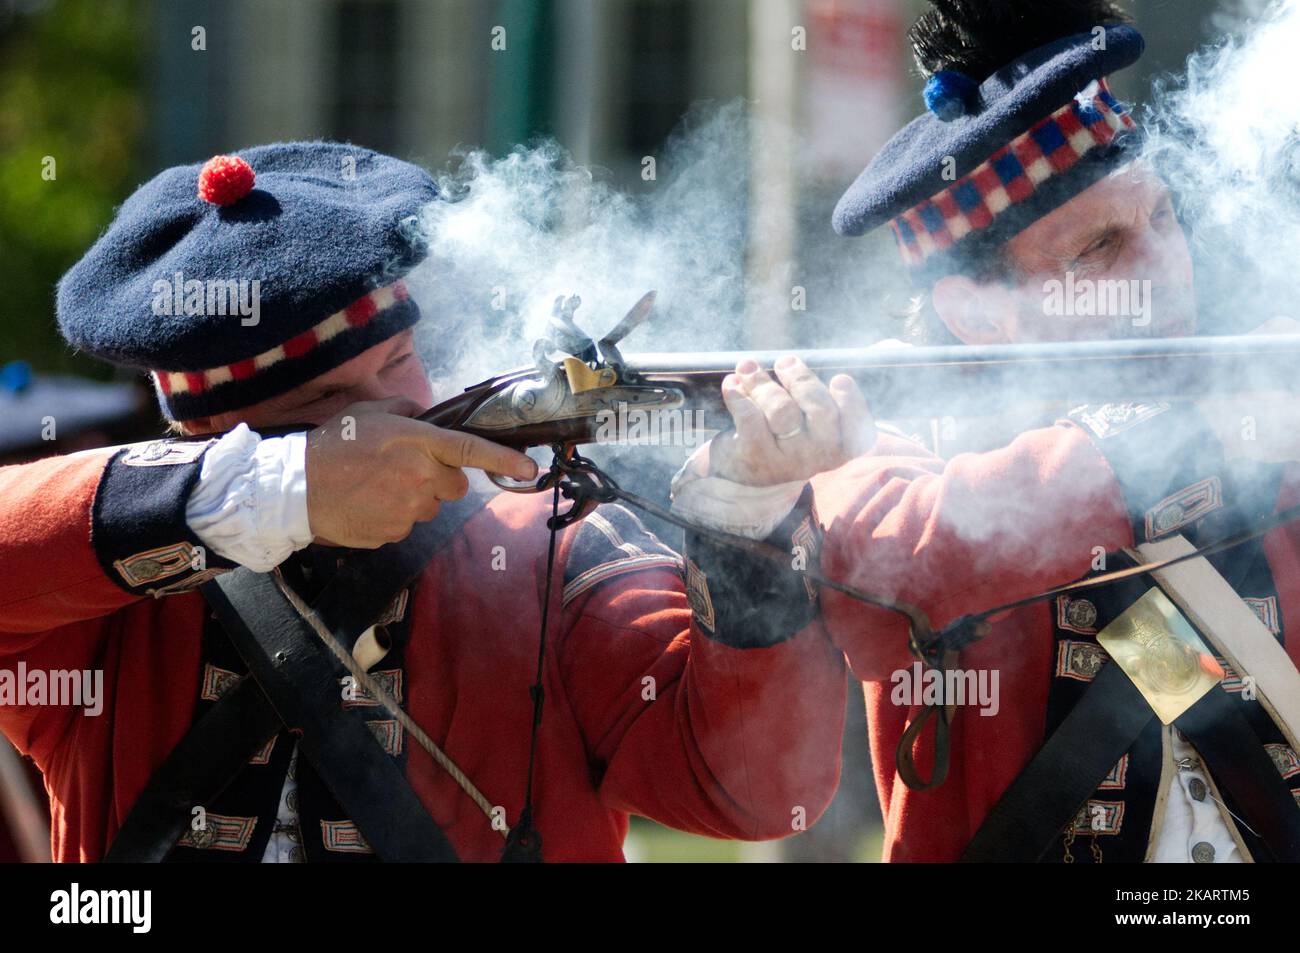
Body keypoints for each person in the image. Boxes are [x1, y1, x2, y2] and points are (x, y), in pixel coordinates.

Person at [0, 141, 869, 862]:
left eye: (395, 365)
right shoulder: (113, 589)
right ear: (217, 441)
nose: (392, 415)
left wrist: (751, 522)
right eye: (324, 412)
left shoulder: (541, 548)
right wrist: (281, 494)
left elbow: (756, 790)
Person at [810, 0, 1300, 862]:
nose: (1161, 268)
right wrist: (1182, 426)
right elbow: (897, 572)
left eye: (1162, 217)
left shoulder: (1270, 423)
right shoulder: (888, 455)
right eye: (1098, 250)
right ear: (977, 313)